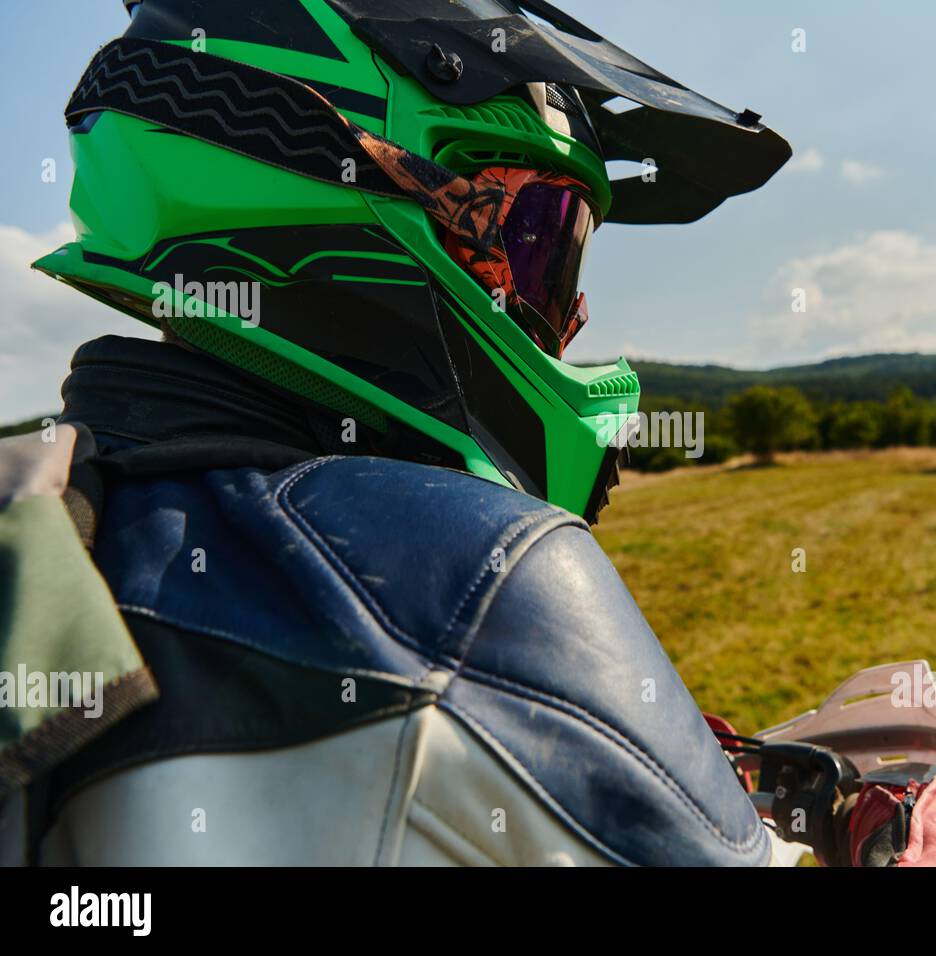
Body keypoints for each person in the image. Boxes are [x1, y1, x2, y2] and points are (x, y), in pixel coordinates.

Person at [3, 0, 793, 865]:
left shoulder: (46, 524)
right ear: (336, 170)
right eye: (533, 245)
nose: (566, 321)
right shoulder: (474, 581)